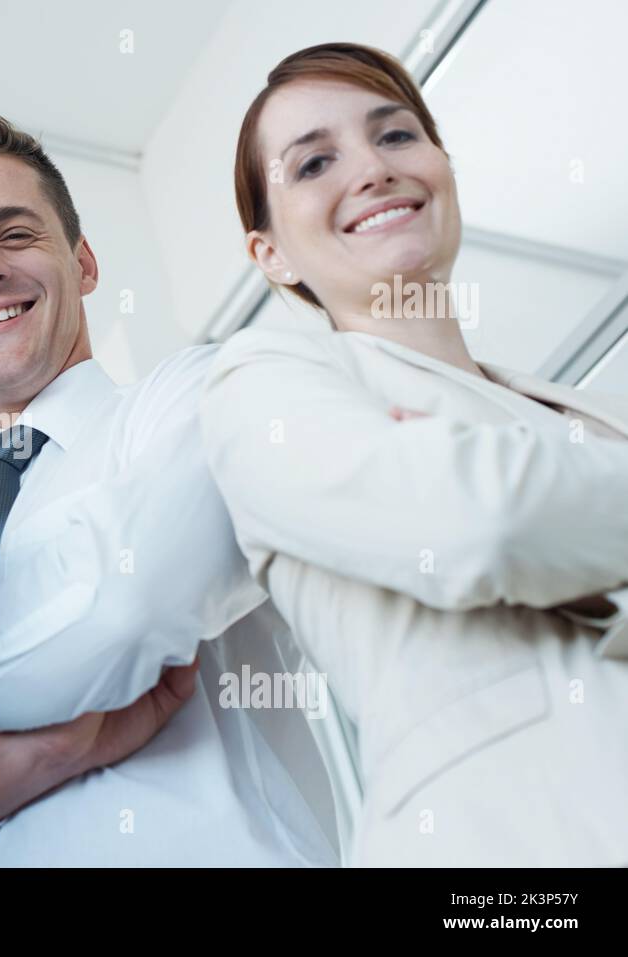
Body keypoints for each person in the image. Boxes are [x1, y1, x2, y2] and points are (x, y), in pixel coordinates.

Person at [0, 107, 337, 867]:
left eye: (15, 233)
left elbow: (130, 605)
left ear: (84, 263)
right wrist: (18, 763)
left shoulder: (197, 396)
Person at [200, 42, 628, 866]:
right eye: (315, 161)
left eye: (395, 136)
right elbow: (488, 522)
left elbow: (503, 504)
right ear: (271, 255)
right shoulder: (260, 384)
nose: (370, 170)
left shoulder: (603, 417)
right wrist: (519, 502)